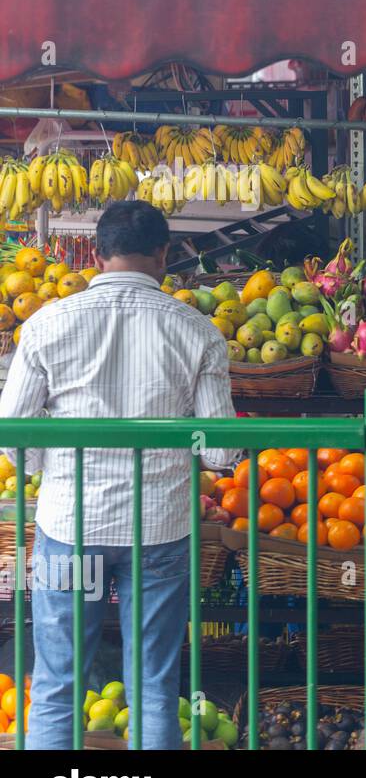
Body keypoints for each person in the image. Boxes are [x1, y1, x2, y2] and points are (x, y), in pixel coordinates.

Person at [0, 201, 237, 749]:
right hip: (159, 533)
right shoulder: (196, 330)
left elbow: (13, 433)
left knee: (58, 681)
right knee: (154, 687)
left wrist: (48, 469)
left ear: (100, 254)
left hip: (69, 532)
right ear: (162, 255)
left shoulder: (46, 323)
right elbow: (222, 449)